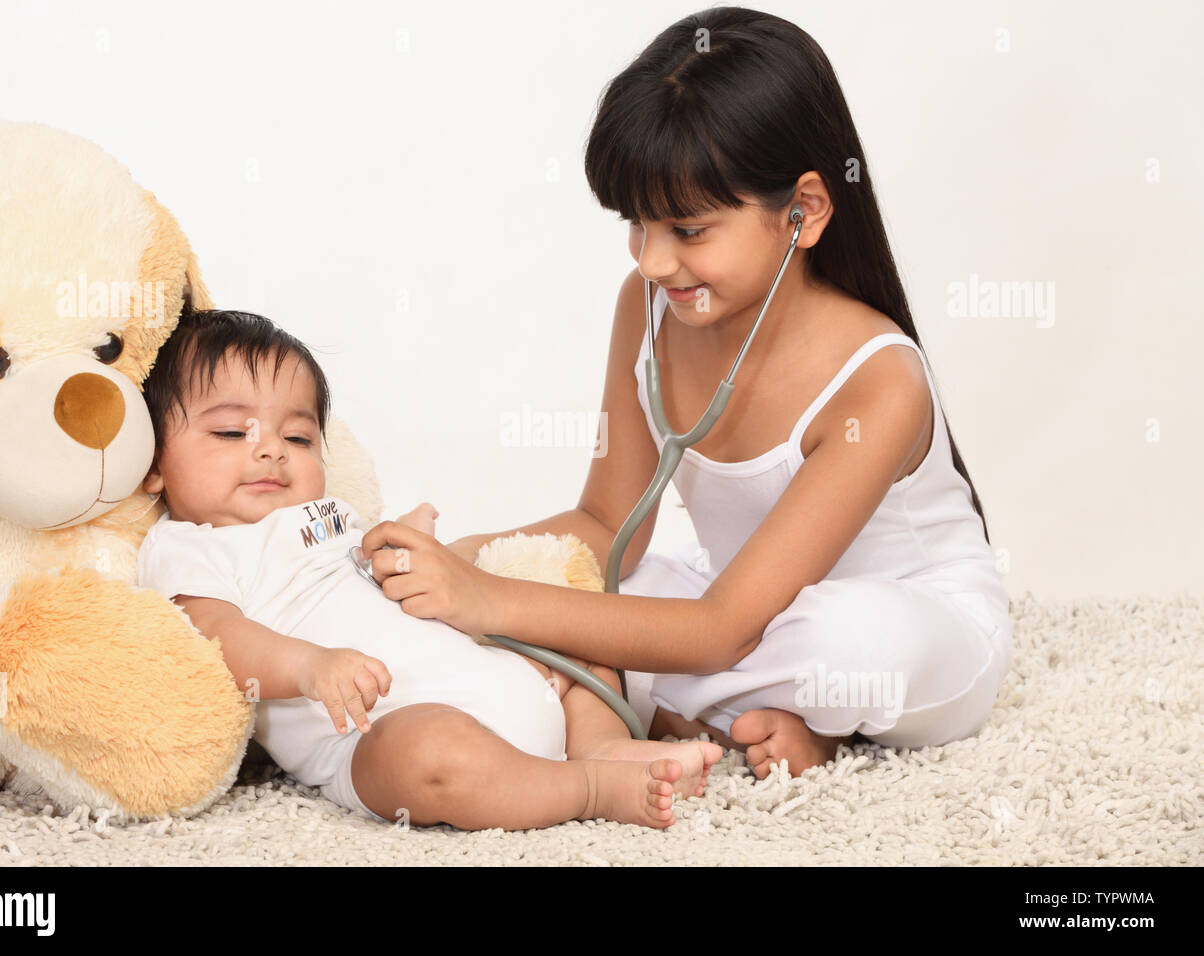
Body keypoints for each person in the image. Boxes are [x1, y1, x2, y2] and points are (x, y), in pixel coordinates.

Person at [360, 6, 1014, 780]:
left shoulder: (878, 381)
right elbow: (609, 525)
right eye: (636, 224)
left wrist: (487, 603)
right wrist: (469, 558)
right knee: (603, 583)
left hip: (902, 624)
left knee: (850, 640)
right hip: (739, 603)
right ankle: (774, 722)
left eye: (689, 230)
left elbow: (721, 628)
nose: (654, 262)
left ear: (802, 211)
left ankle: (642, 692)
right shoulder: (645, 311)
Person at [135, 309, 720, 831]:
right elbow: (217, 636)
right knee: (427, 757)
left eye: (298, 435)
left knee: (572, 622)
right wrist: (308, 666)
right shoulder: (189, 546)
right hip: (382, 731)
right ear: (153, 462)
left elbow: (368, 575)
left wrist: (402, 546)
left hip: (492, 675)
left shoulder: (327, 514)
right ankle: (591, 789)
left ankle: (603, 745)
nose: (272, 450)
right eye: (232, 432)